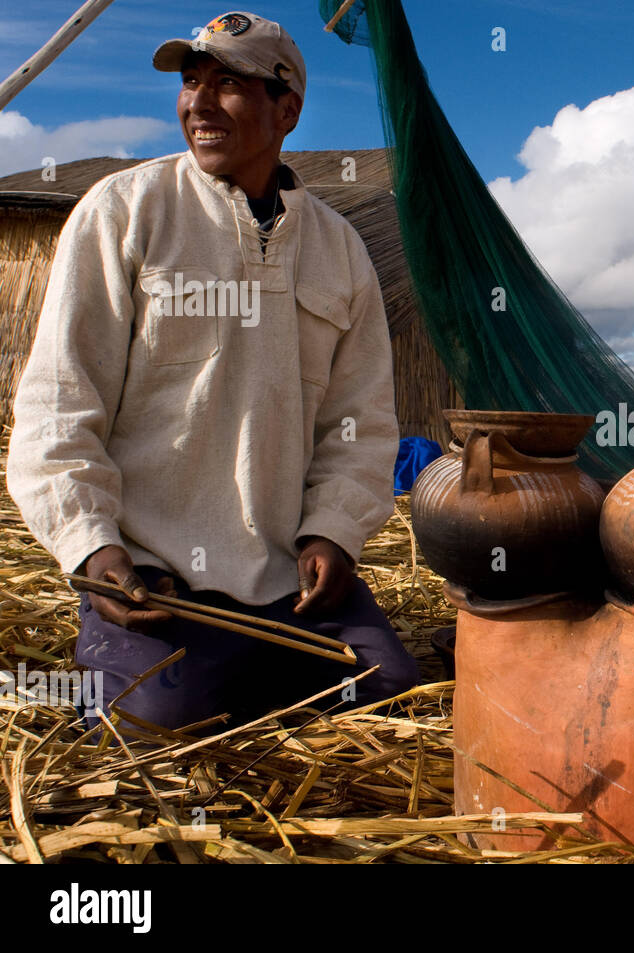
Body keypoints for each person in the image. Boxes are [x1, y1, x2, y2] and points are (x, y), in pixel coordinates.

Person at [6, 11, 417, 732]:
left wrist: (332, 532)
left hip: (291, 578)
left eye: (229, 83)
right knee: (157, 725)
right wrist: (94, 547)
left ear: (286, 107)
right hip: (156, 574)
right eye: (192, 81)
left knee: (389, 694)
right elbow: (58, 405)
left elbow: (361, 423)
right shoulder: (125, 213)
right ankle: (184, 671)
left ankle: (240, 666)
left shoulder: (338, 248)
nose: (198, 101)